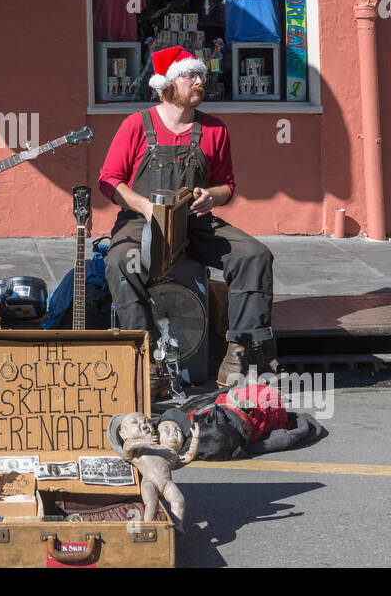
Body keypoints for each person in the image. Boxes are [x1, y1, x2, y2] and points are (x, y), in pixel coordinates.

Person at [99, 44, 275, 388]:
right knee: (120, 261)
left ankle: (239, 348)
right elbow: (109, 181)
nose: (198, 81)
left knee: (254, 255)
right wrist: (145, 207)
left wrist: (212, 196)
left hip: (196, 223)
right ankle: (145, 354)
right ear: (167, 84)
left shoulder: (215, 130)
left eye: (201, 76)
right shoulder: (136, 125)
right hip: (142, 222)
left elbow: (227, 185)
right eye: (190, 75)